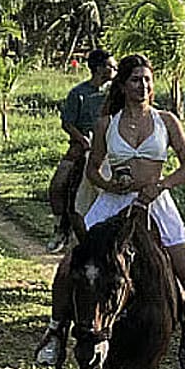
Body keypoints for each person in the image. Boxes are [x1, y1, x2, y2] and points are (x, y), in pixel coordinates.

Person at [34, 54, 185, 369]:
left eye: (147, 79)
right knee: (69, 268)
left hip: (155, 204)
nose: (142, 85)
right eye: (135, 79)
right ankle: (55, 331)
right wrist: (109, 185)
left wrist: (159, 185)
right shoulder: (107, 123)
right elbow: (93, 169)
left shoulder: (167, 121)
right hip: (112, 204)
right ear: (123, 84)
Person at [46, 48, 115, 253]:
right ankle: (61, 227)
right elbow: (67, 123)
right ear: (99, 68)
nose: (114, 70)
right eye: (111, 66)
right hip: (81, 146)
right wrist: (82, 140)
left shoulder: (114, 94)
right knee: (58, 185)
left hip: (109, 148)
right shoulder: (79, 93)